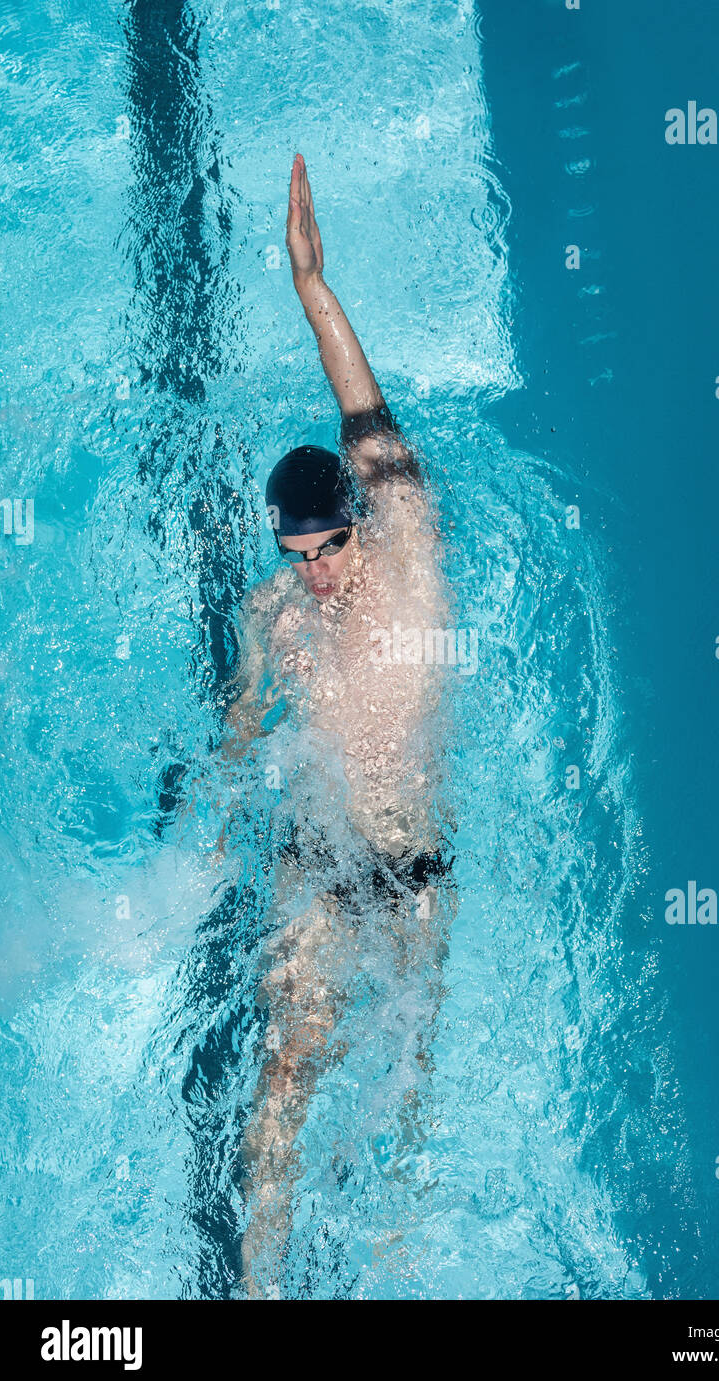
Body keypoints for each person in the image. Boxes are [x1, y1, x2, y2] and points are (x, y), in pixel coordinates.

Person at [225, 154, 455, 1294]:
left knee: (398, 1087)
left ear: (359, 518)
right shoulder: (276, 612)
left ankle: (388, 1260)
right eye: (294, 554)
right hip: (317, 861)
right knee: (285, 1074)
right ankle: (260, 1275)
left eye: (328, 546)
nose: (315, 574)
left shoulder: (406, 552)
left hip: (411, 864)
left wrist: (312, 289)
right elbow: (236, 736)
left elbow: (363, 415)